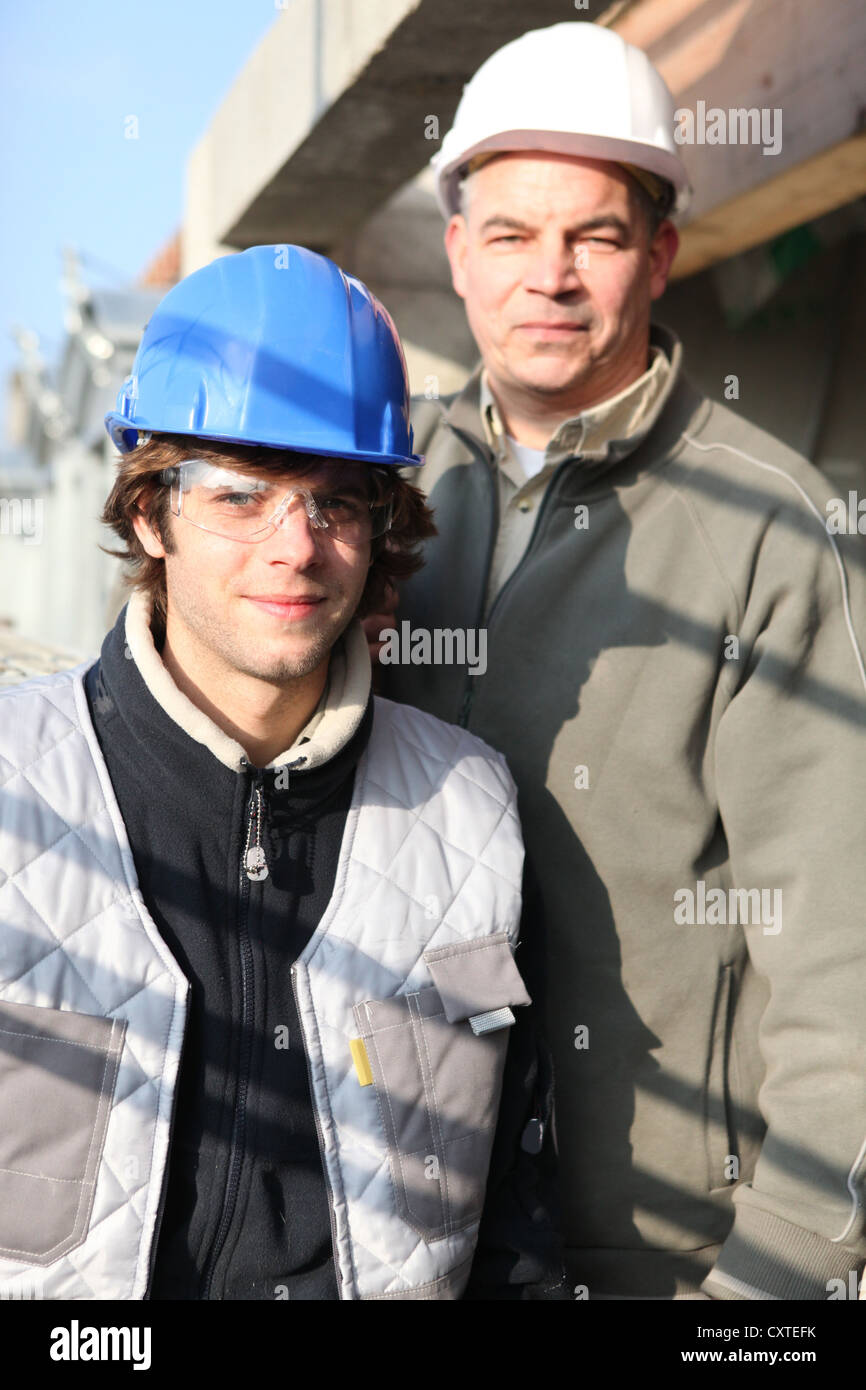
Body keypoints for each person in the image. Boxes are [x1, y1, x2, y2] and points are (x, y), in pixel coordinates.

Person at [373, 22, 866, 1301]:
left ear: (660, 252)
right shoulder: (365, 498)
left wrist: (772, 1287)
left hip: (656, 1253)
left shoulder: (770, 531)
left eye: (591, 236)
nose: (549, 276)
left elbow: (841, 965)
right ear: (455, 253)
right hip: (391, 1223)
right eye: (509, 235)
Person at [0, 244, 566, 1301]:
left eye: (336, 502)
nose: (294, 547)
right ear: (146, 512)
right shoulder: (15, 790)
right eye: (239, 495)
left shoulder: (470, 814)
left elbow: (515, 1228)